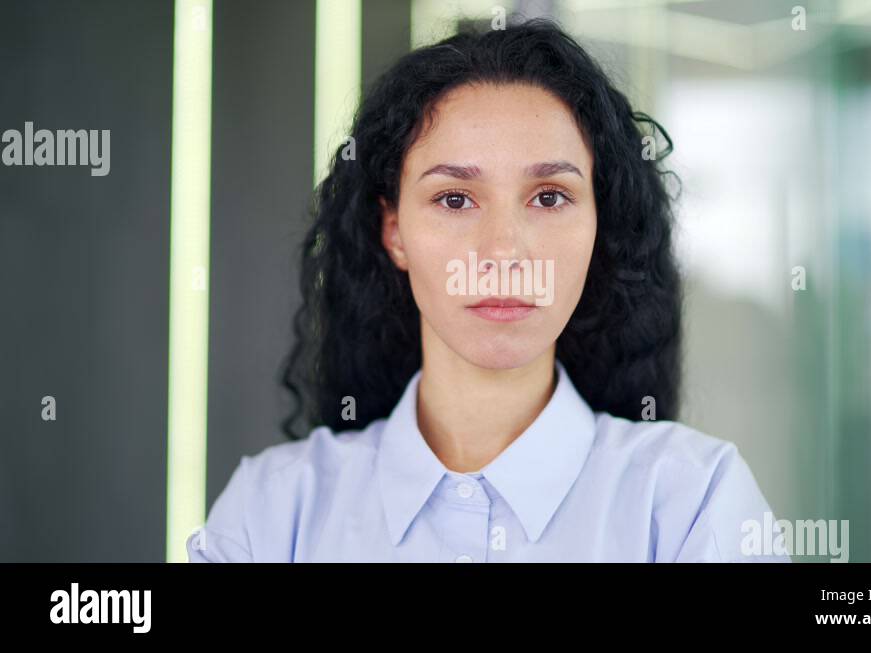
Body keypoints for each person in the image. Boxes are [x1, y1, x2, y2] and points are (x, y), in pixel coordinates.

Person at [187, 18, 789, 563]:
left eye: (550, 197)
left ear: (598, 225)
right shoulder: (269, 515)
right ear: (394, 232)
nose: (503, 251)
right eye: (454, 199)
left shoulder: (694, 503)